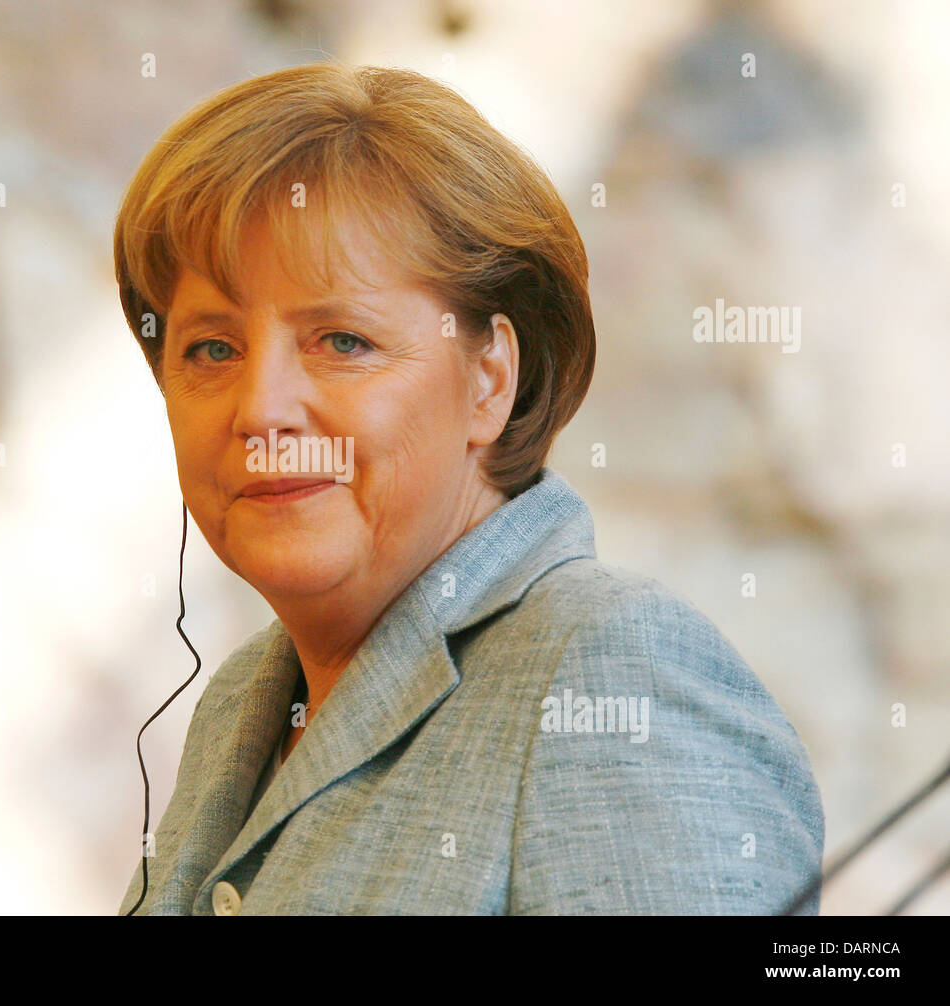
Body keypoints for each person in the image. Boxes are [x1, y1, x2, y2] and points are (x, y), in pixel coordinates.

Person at [112, 61, 824, 915]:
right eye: (212, 350)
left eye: (342, 340)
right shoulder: (242, 703)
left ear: (489, 380)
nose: (260, 410)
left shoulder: (609, 669)